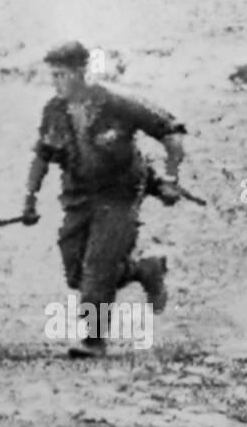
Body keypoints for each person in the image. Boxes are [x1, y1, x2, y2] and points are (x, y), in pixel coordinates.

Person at [20, 40, 186, 357]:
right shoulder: (54, 110)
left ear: (82, 72)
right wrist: (29, 198)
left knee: (98, 266)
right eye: (52, 75)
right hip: (78, 197)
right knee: (77, 275)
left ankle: (93, 340)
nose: (56, 82)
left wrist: (170, 178)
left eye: (62, 75)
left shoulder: (117, 104)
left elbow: (172, 133)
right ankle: (143, 269)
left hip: (120, 195)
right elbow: (42, 156)